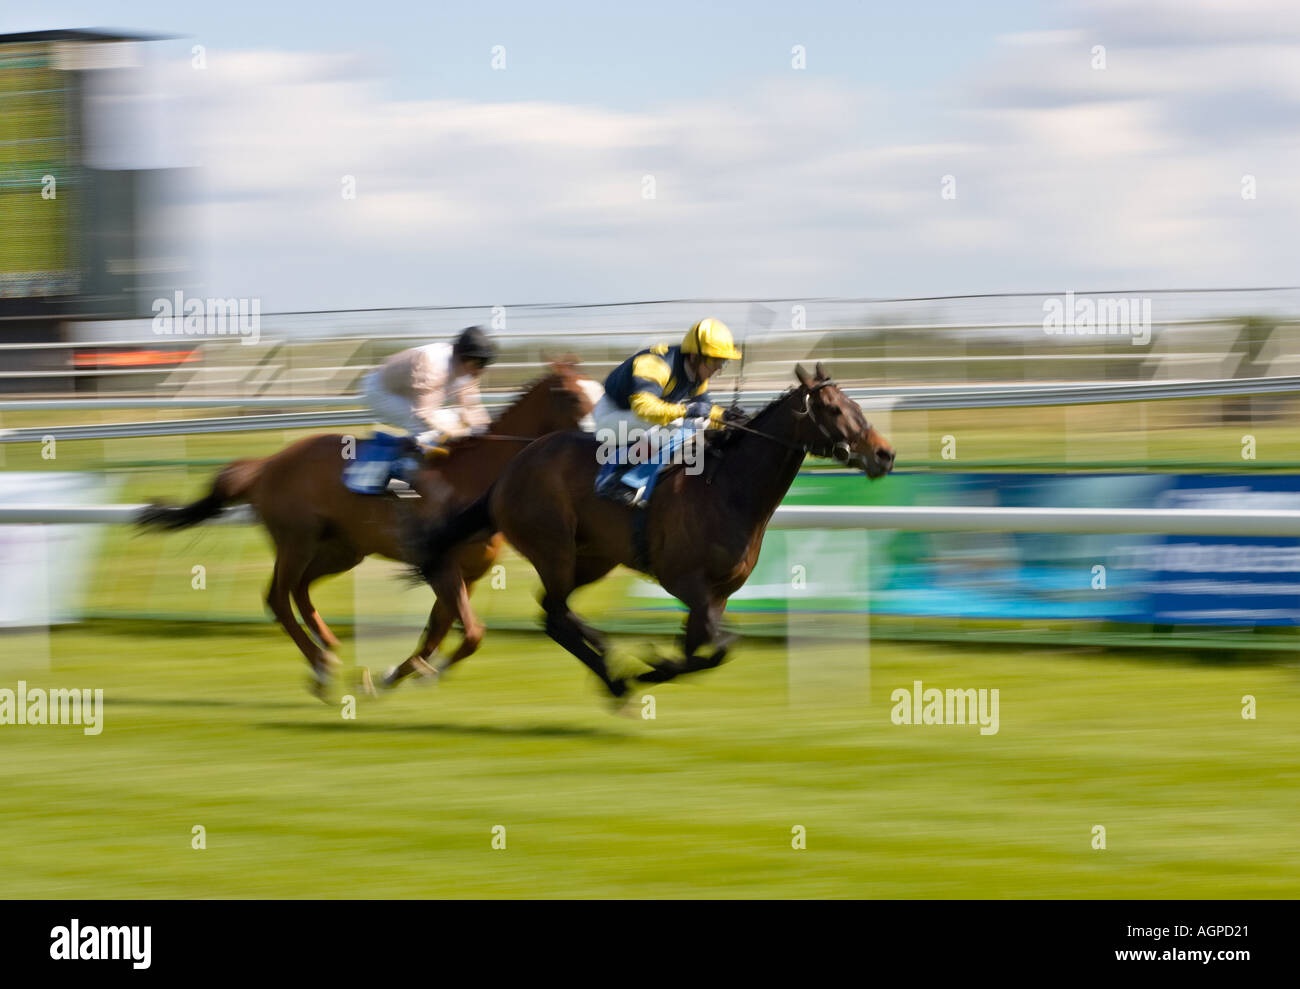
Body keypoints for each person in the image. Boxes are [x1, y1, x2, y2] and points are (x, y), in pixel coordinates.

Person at [593, 317, 741, 506]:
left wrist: (726, 417)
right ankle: (618, 480)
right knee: (677, 424)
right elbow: (644, 408)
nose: (719, 369)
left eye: (723, 362)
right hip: (612, 416)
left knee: (695, 424)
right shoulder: (655, 364)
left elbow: (705, 412)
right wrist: (686, 410)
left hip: (638, 418)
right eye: (715, 362)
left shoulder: (697, 374)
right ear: (695, 356)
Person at [362, 325, 497, 480]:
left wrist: (489, 433)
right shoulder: (433, 367)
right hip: (381, 391)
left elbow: (471, 409)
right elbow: (424, 415)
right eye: (478, 363)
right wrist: (460, 432)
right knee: (426, 430)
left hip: (408, 390)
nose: (480, 371)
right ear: (462, 358)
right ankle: (401, 471)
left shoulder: (469, 369)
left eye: (484, 364)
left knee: (455, 420)